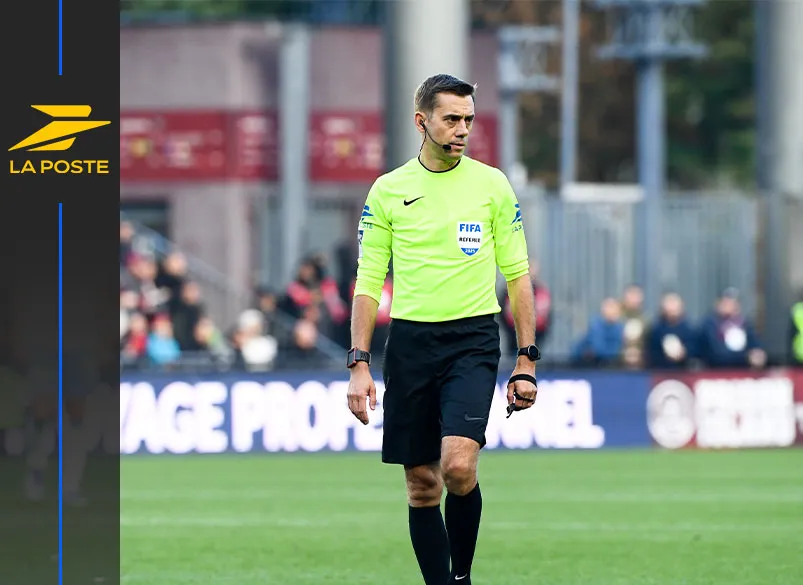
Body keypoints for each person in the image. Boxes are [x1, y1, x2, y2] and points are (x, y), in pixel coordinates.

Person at [346, 74, 539, 585]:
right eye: (451, 119)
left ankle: (463, 578)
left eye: (468, 120)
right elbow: (368, 281)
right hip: (410, 344)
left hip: (472, 341)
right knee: (422, 487)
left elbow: (517, 275)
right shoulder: (388, 191)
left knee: (457, 467)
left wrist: (526, 359)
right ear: (422, 121)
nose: (462, 130)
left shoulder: (492, 184)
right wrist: (359, 363)